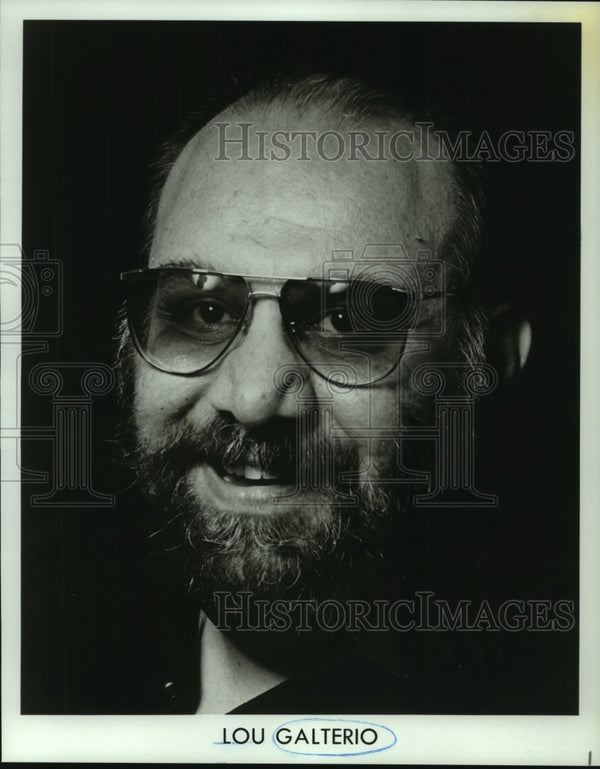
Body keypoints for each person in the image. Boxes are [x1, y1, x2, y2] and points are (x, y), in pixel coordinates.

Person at [115, 75, 532, 714]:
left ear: (488, 362)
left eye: (346, 321)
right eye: (202, 311)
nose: (254, 398)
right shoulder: (45, 640)